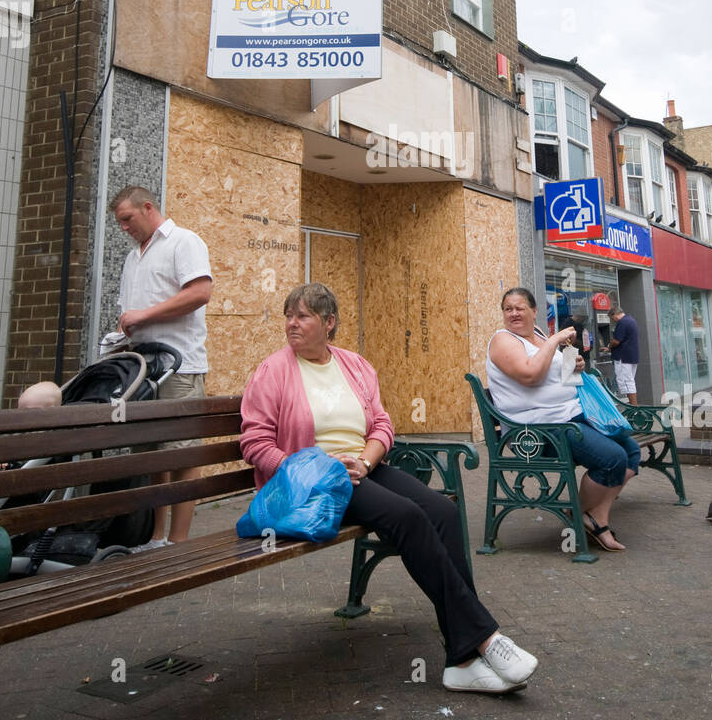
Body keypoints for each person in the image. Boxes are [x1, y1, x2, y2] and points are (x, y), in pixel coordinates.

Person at [240, 283, 538, 695]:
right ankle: (481, 641)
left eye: (303, 315)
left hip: (362, 468)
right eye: (289, 315)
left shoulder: (355, 366)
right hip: (314, 484)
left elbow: (382, 425)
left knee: (443, 512)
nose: (292, 323)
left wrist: (364, 461)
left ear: (329, 323)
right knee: (406, 517)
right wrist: (318, 467)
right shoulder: (272, 371)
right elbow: (255, 444)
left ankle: (462, 659)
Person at [486, 287, 641, 553]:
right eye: (508, 309)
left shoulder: (538, 335)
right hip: (536, 431)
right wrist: (555, 340)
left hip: (569, 414)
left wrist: (575, 365)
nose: (513, 313)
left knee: (631, 453)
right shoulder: (503, 340)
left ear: (534, 311)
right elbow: (530, 375)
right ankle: (593, 521)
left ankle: (588, 515)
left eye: (519, 308)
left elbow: (565, 378)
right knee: (613, 458)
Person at [111, 185, 213, 548]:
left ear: (148, 207)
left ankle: (179, 542)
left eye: (127, 219)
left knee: (182, 454)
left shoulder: (184, 242)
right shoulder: (132, 257)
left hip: (179, 368)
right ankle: (157, 538)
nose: (123, 227)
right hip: (143, 369)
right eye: (119, 222)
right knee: (155, 455)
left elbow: (200, 292)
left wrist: (144, 314)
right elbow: (132, 313)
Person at [603, 306, 640, 405]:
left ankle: (634, 408)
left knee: (627, 382)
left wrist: (609, 346)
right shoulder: (631, 320)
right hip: (631, 356)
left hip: (623, 357)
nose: (612, 320)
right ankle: (632, 407)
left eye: (612, 318)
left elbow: (616, 341)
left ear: (614, 314)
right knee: (628, 381)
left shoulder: (622, 322)